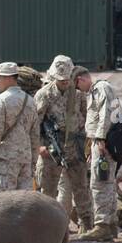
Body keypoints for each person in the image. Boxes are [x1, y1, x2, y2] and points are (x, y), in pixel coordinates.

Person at [34, 57, 93, 233]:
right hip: (52, 148)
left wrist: (86, 143)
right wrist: (39, 146)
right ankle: (47, 228)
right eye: (61, 79)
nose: (64, 82)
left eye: (67, 78)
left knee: (81, 187)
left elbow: (86, 117)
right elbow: (34, 123)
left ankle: (87, 225)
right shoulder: (43, 94)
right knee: (48, 190)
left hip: (75, 145)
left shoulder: (79, 94)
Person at [79, 68, 122, 242]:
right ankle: (111, 224)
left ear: (80, 79)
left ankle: (102, 226)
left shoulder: (101, 88)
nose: (78, 90)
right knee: (106, 183)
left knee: (99, 183)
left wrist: (100, 138)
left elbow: (106, 113)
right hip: (101, 143)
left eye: (77, 85)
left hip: (103, 144)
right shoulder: (95, 91)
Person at [0, 62, 39, 191]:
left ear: (9, 78)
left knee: (5, 204)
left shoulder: (1, 100)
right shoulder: (30, 100)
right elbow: (35, 134)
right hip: (26, 159)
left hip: (6, 160)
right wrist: (33, 160)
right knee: (24, 204)